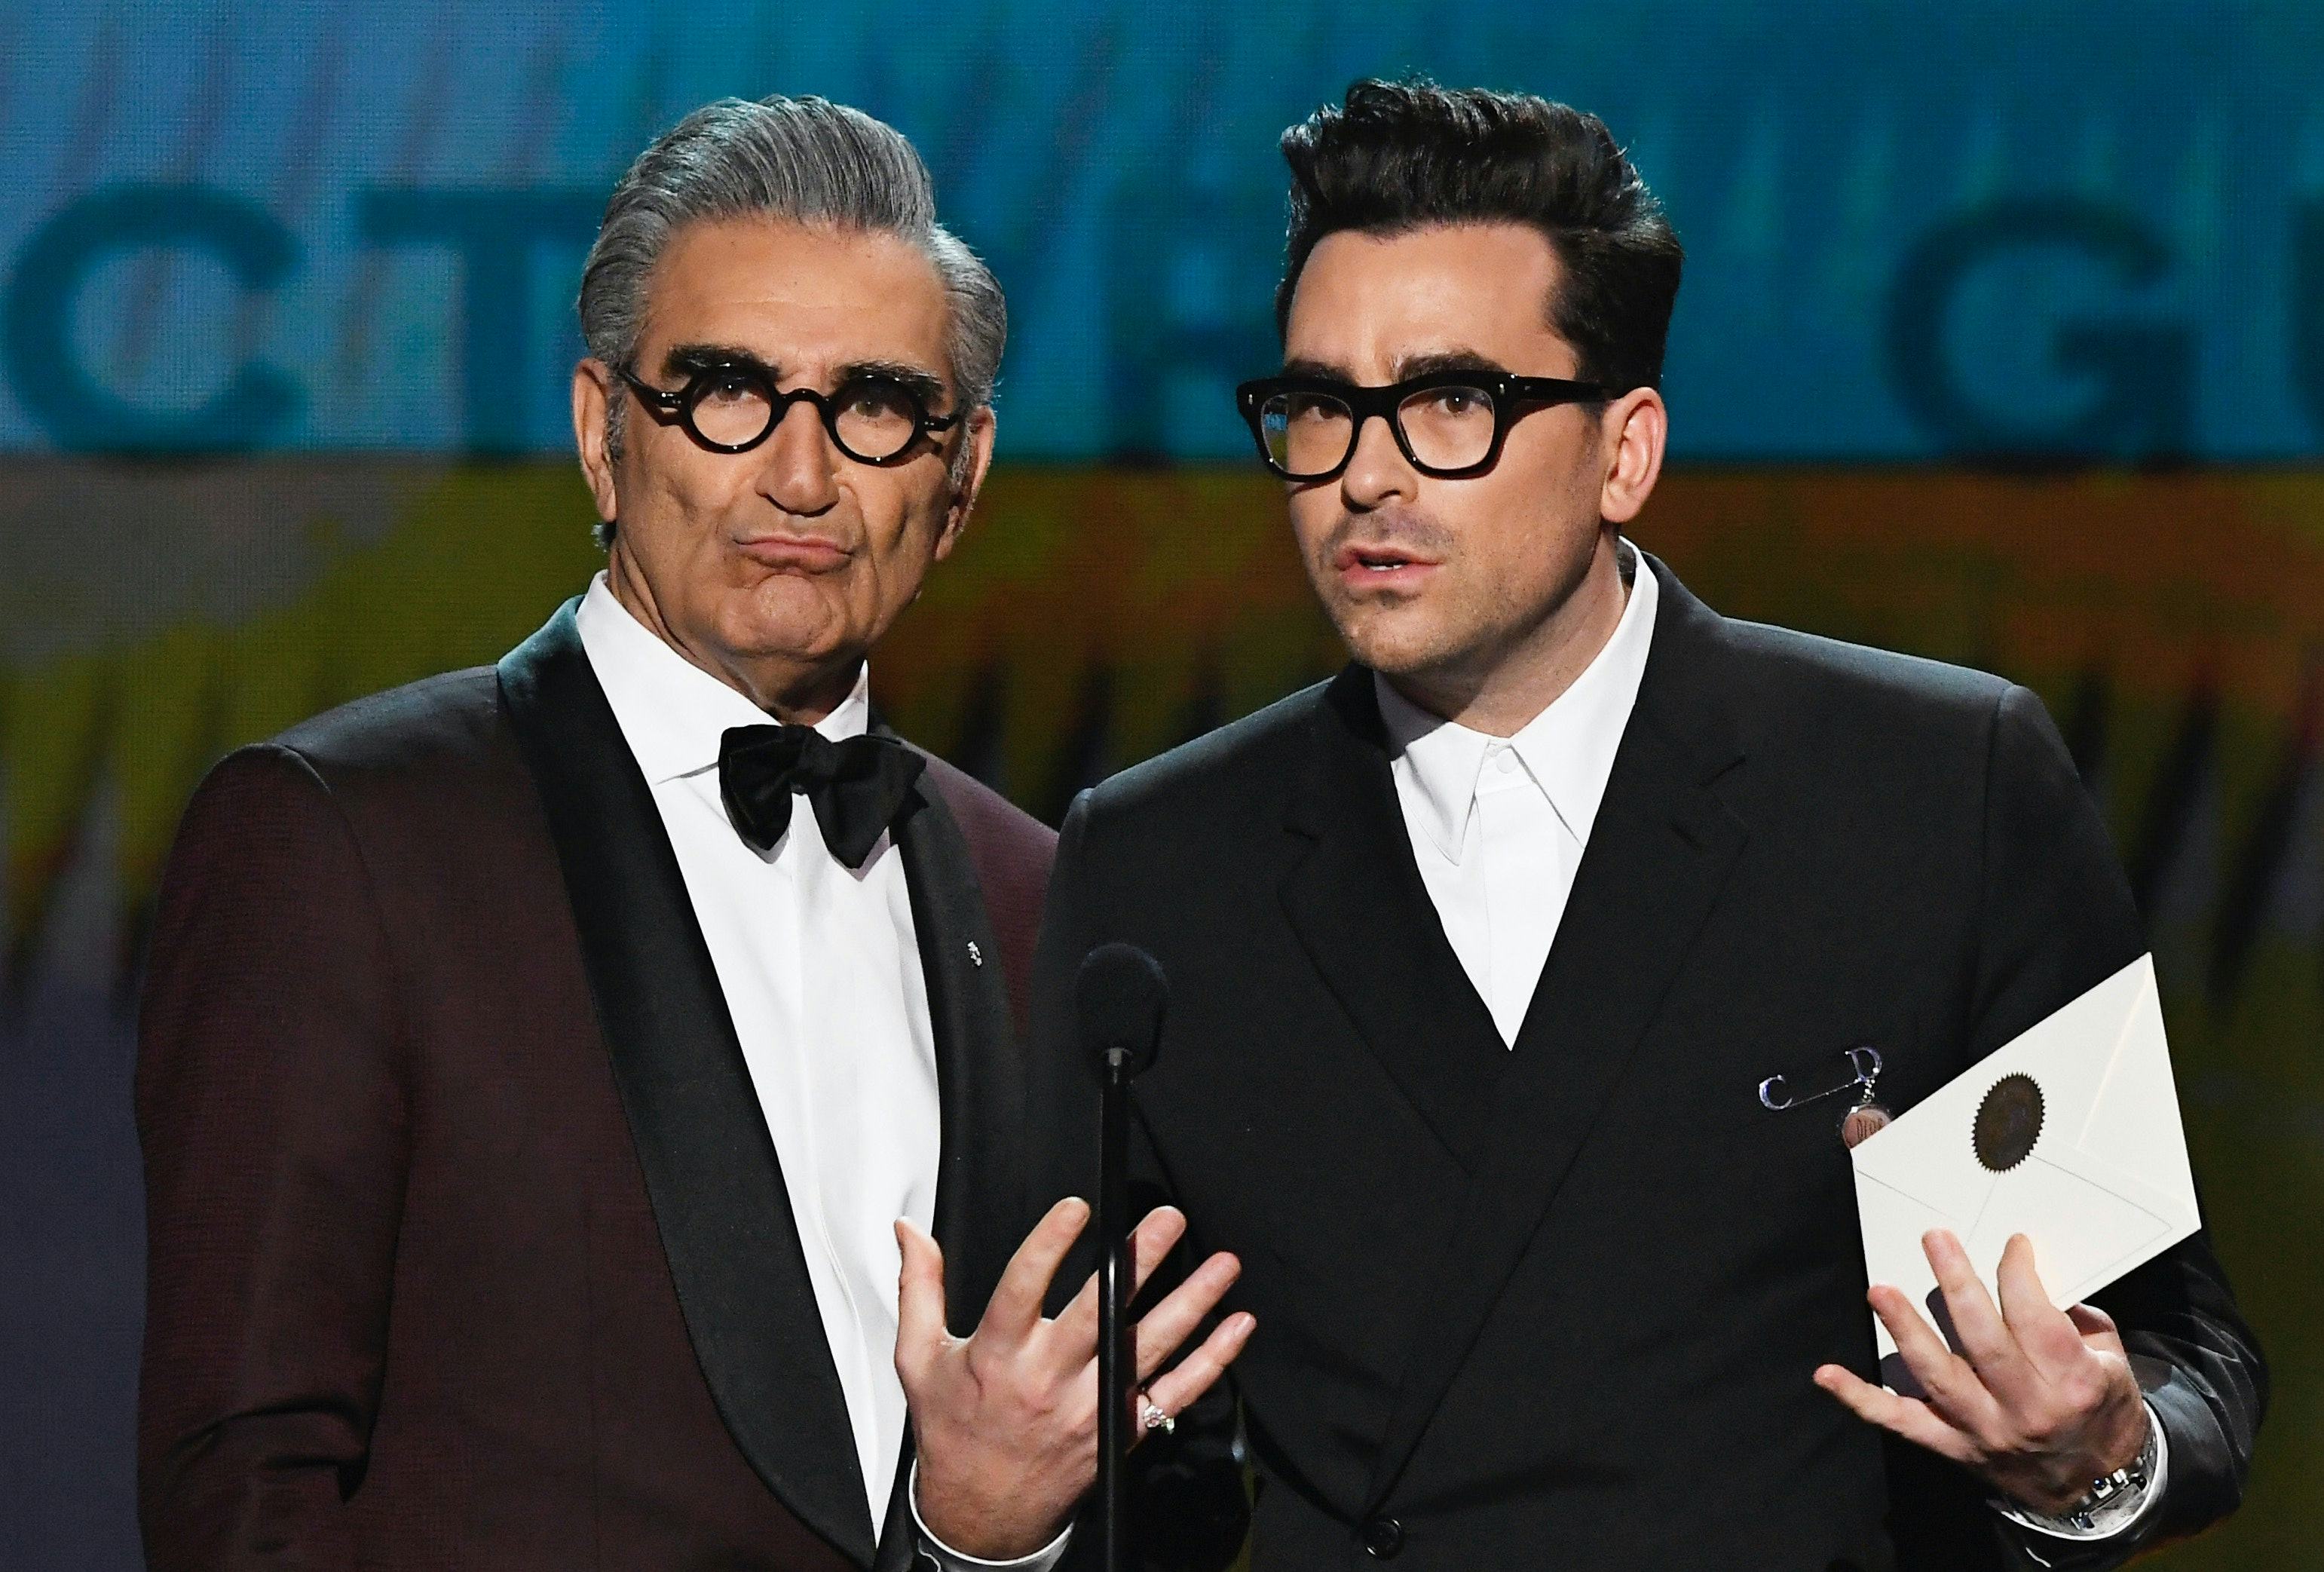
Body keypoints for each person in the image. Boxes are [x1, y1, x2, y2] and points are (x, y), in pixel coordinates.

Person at [1021, 81, 2264, 1570]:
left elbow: (2175, 1349)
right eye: (1320, 406)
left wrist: (2097, 1461)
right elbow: (1125, 1463)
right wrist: (984, 1533)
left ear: (1626, 451)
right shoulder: (1163, 861)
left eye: (1452, 403)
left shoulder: (1936, 789)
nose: (1365, 473)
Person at [136, 95, 1247, 1572]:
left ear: (962, 476)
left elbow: (1143, 1498)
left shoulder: (1050, 898)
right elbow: (244, 1493)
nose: (801, 476)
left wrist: (986, 1542)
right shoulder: (342, 844)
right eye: (727, 391)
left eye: (875, 405)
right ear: (602, 434)